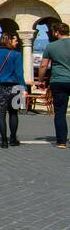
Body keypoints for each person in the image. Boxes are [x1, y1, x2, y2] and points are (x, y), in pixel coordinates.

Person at [0, 30, 27, 148]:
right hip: (15, 87)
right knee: (14, 113)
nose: (17, 42)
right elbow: (19, 74)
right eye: (15, 40)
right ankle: (13, 138)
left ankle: (4, 141)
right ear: (9, 40)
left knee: (1, 115)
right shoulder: (16, 54)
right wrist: (23, 88)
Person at [38, 20, 70, 150]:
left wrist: (41, 80)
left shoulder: (51, 46)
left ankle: (61, 141)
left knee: (60, 112)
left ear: (57, 32)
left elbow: (43, 65)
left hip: (58, 81)